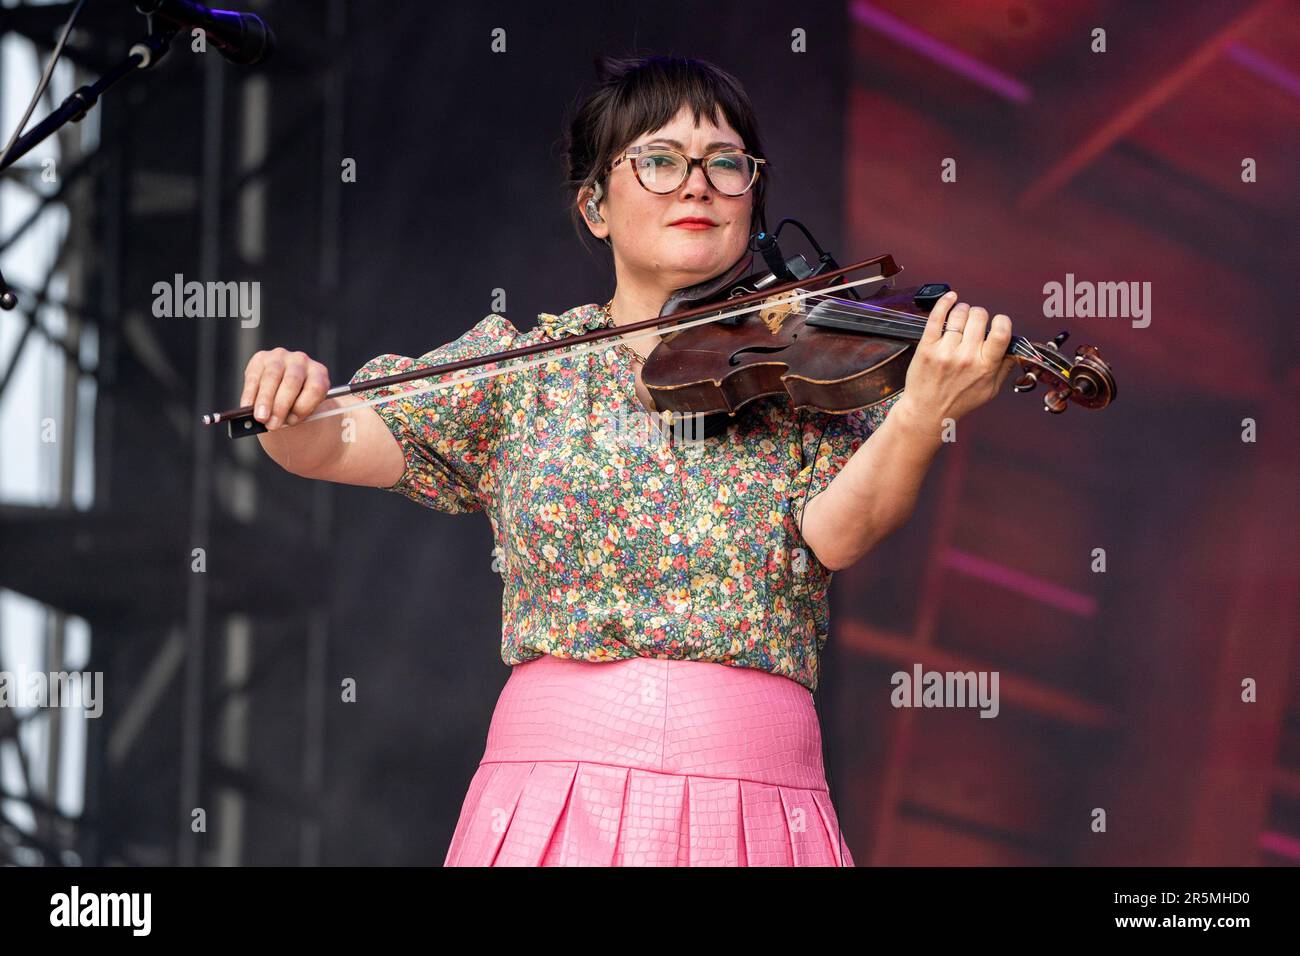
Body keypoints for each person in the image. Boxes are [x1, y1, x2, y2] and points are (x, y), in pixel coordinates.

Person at [242, 55, 1015, 866]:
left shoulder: (800, 366)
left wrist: (924, 411)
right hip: (555, 793)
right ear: (595, 206)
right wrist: (289, 406)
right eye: (659, 160)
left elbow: (838, 535)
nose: (698, 184)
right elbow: (334, 439)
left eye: (725, 162)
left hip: (751, 788)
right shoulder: (527, 369)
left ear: (753, 199)